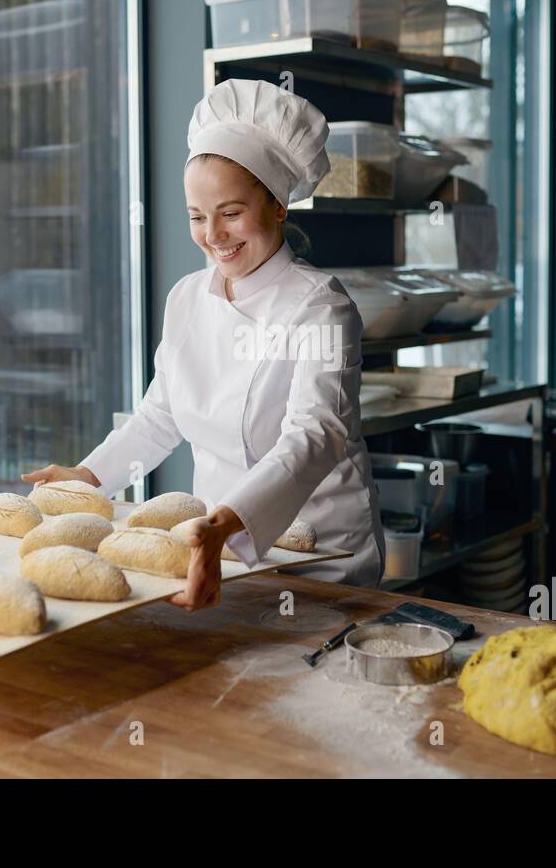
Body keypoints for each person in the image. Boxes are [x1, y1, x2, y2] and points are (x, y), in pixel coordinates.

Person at [23, 79, 385, 611]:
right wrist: (89, 477)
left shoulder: (324, 308)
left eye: (231, 212)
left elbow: (316, 435)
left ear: (278, 206)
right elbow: (158, 417)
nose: (213, 234)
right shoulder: (187, 299)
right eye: (197, 216)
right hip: (216, 551)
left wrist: (224, 522)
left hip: (321, 558)